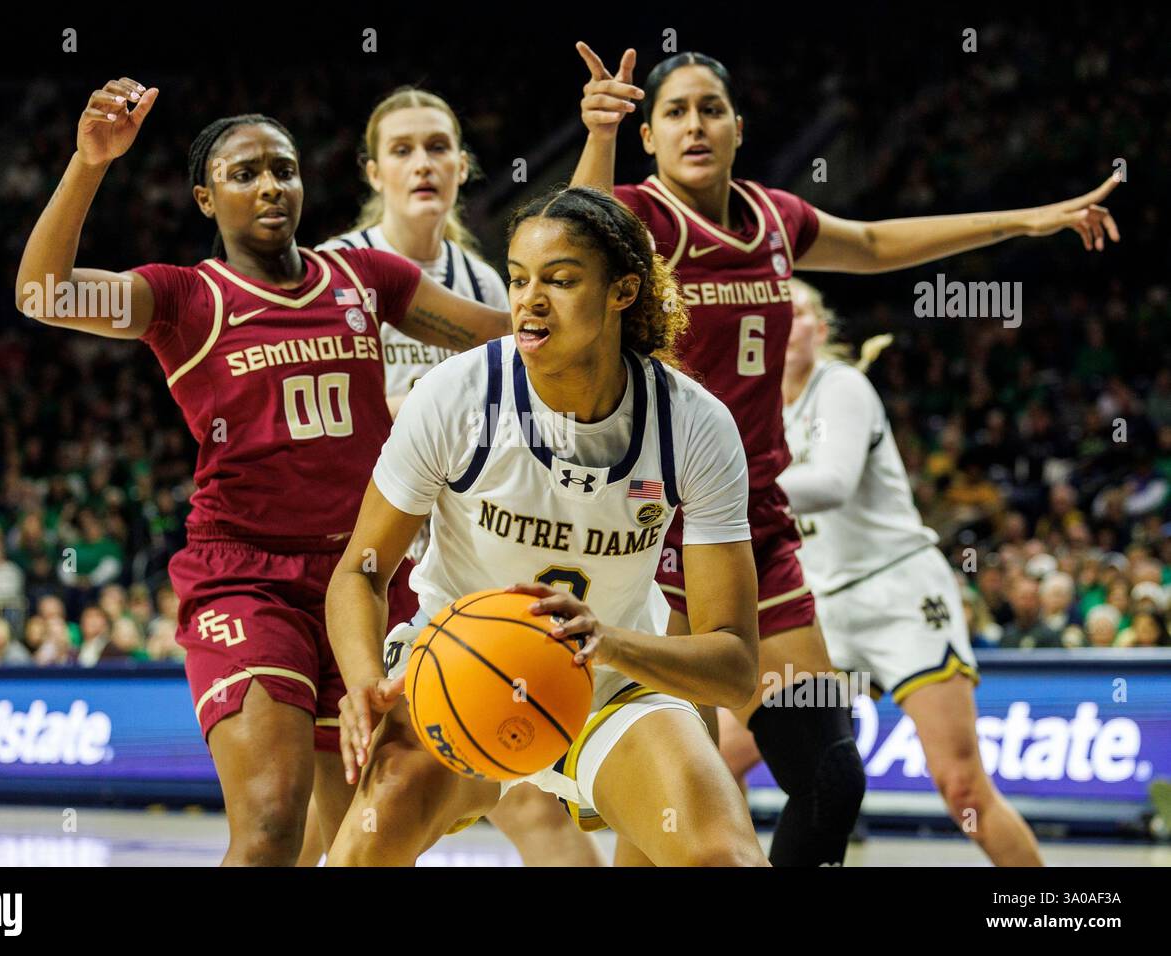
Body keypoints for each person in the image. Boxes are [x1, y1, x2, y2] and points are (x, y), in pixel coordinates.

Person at [571, 41, 1120, 866]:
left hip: (762, 533)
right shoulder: (643, 220)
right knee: (672, 793)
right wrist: (599, 135)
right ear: (649, 135)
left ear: (738, 127)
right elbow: (573, 239)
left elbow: (871, 242)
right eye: (674, 112)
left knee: (832, 775)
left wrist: (1025, 219)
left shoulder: (778, 219)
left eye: (710, 109)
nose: (694, 124)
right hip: (661, 528)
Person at [14, 77, 508, 865]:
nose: (272, 185)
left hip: (367, 576)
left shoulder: (365, 279)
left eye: (284, 169)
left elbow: (506, 336)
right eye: (245, 174)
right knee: (273, 824)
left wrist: (586, 277)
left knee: (368, 842)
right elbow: (42, 294)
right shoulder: (184, 298)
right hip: (247, 577)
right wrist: (89, 163)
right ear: (206, 200)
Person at [325, 186, 765, 867]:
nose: (530, 299)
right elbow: (360, 571)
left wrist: (607, 641)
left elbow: (735, 669)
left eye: (560, 281)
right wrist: (363, 680)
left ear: (623, 291)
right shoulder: (458, 395)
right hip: (459, 664)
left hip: (611, 680)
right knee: (364, 849)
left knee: (724, 859)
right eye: (519, 279)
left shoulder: (694, 424)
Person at [311, 87, 603, 867]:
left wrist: (599, 136)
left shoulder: (493, 282)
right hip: (352, 559)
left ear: (463, 165)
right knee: (339, 813)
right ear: (373, 170)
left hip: (459, 565)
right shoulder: (334, 275)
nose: (422, 163)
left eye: (438, 147)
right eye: (402, 149)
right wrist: (409, 411)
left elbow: (573, 314)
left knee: (531, 802)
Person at [774, 277, 1042, 866]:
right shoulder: (758, 406)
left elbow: (834, 483)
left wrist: (729, 488)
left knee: (961, 786)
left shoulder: (842, 387)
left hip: (898, 594)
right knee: (726, 753)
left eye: (798, 313)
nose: (785, 321)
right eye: (776, 310)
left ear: (821, 330)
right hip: (821, 610)